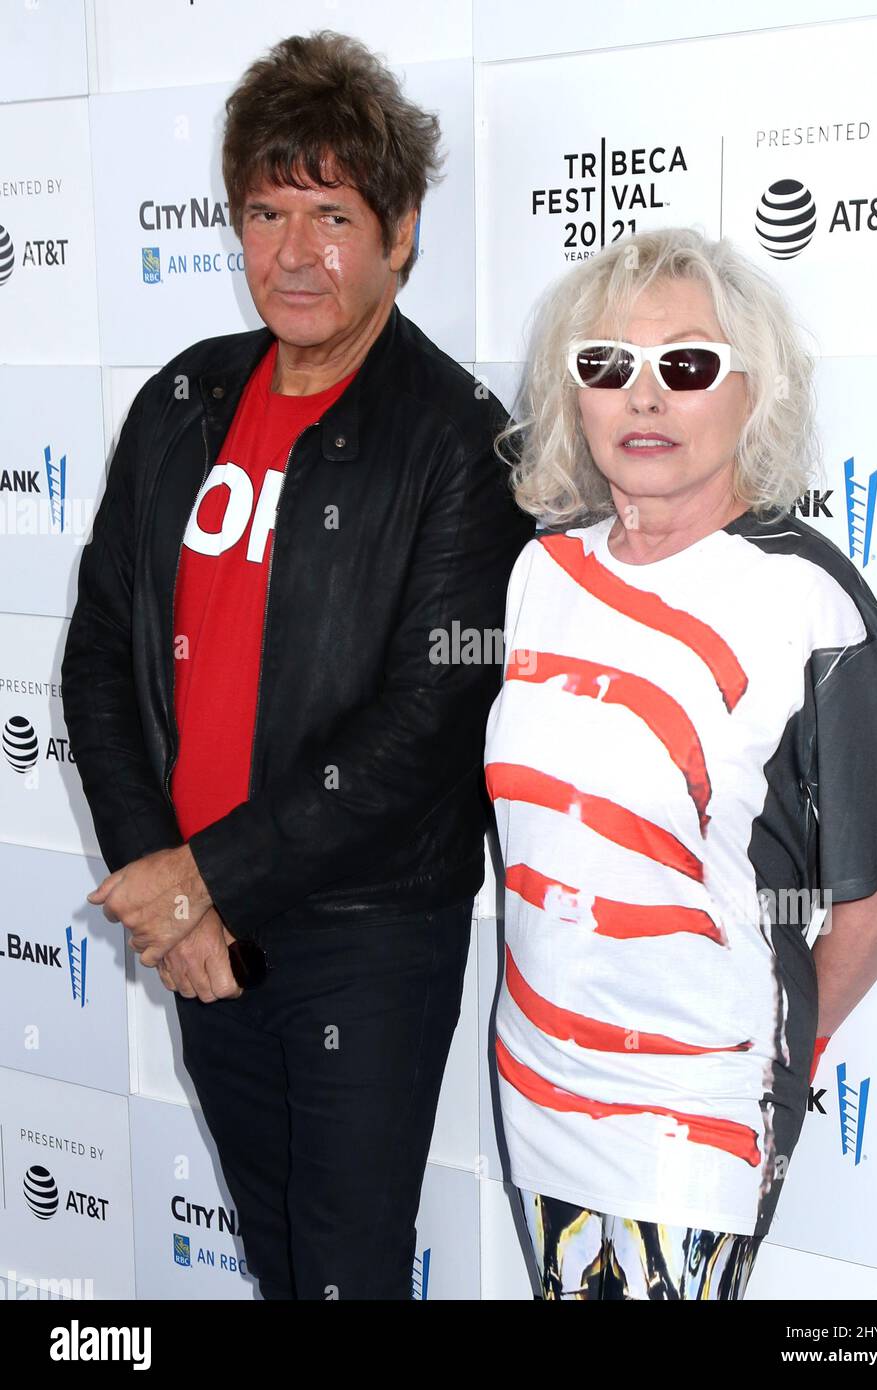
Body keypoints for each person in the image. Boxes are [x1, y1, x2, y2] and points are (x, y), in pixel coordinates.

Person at [61, 30, 532, 1301]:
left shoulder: (458, 441)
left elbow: (429, 721)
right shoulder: (181, 402)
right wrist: (164, 884)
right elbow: (100, 649)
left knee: (345, 1272)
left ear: (402, 230)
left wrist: (202, 879)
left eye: (332, 213)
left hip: (364, 933)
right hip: (199, 925)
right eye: (266, 212)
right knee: (278, 1261)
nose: (294, 252)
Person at [483, 227, 877, 1300]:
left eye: (685, 367)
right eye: (608, 365)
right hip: (537, 1082)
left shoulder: (807, 597)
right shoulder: (540, 572)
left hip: (694, 1114)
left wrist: (773, 1059)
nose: (644, 399)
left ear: (750, 396)